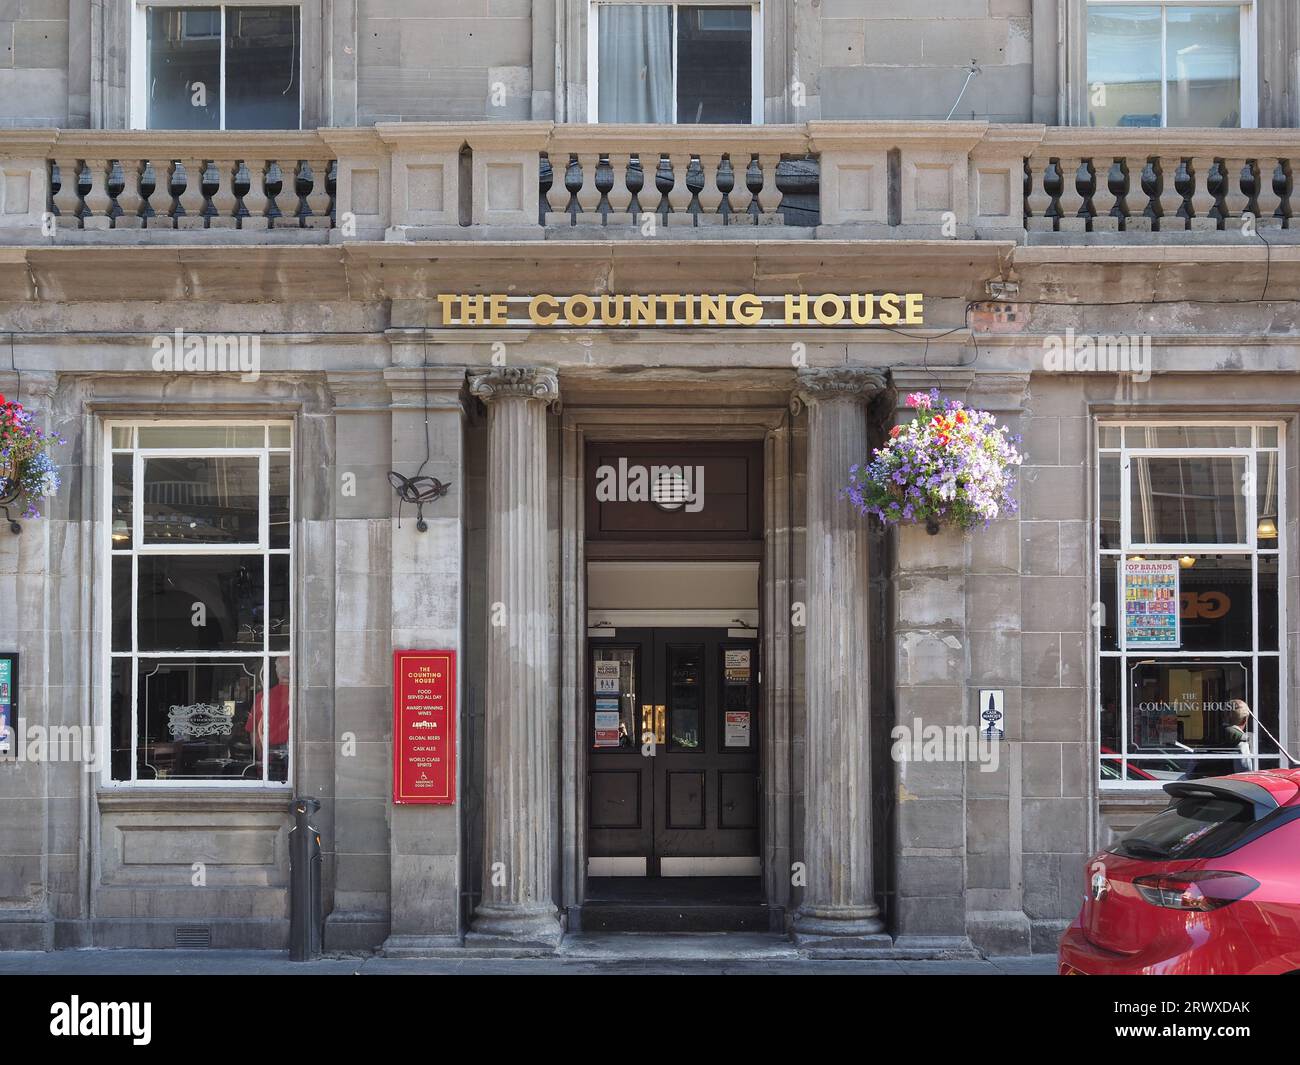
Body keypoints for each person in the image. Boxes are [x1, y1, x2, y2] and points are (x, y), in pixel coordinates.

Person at [246, 655, 291, 759]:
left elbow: (253, 733)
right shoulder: (302, 697)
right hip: (293, 754)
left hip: (268, 756)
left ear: (277, 671)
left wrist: (261, 756)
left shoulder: (262, 697)